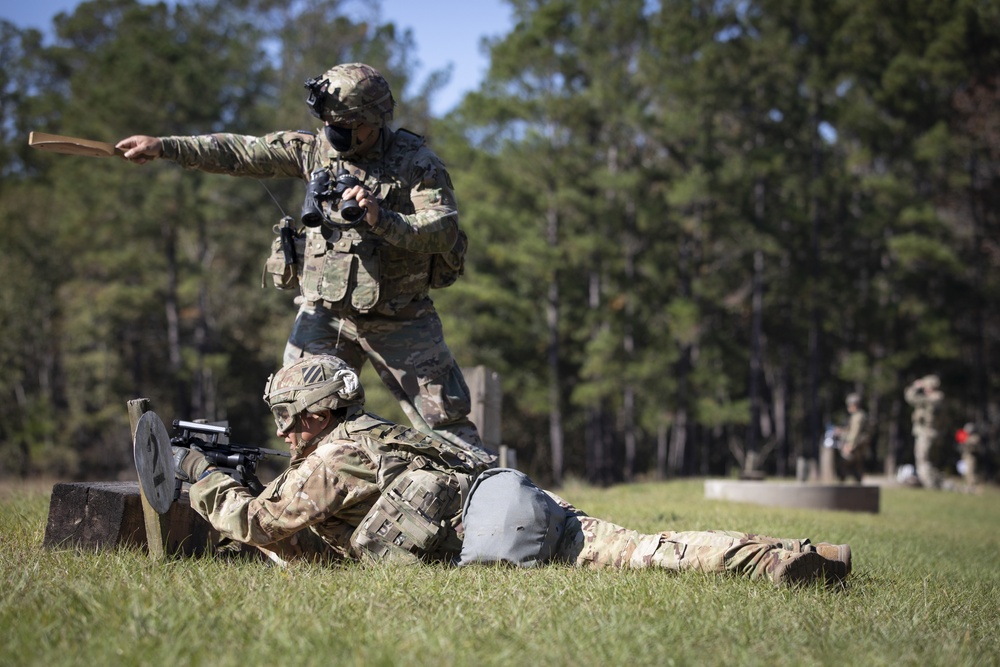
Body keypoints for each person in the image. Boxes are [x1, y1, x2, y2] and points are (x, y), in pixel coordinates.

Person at [172, 354, 853, 586]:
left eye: (290, 416)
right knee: (652, 550)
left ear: (316, 412)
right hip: (523, 502)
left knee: (641, 559)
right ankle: (780, 557)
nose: (285, 430)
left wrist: (196, 472)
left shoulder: (328, 462)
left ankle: (781, 561)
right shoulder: (377, 432)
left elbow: (257, 519)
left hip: (490, 543)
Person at [117, 62, 482, 451]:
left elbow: (442, 228)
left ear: (371, 122)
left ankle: (491, 503)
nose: (332, 133)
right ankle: (311, 506)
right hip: (323, 314)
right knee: (299, 416)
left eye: (342, 126)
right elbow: (241, 152)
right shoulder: (313, 150)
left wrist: (382, 217)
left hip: (400, 316)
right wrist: (165, 146)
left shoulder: (416, 162)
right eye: (328, 124)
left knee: (445, 427)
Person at [904, 374, 944, 489]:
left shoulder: (933, 398)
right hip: (932, 433)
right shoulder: (937, 397)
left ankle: (930, 484)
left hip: (926, 433)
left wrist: (915, 387)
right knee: (929, 461)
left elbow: (910, 397)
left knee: (922, 460)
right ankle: (935, 483)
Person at [834, 393, 869, 484]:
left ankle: (843, 486)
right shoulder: (857, 416)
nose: (848, 407)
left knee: (844, 462)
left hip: (855, 446)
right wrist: (841, 432)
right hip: (857, 446)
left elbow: (855, 433)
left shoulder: (858, 417)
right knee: (856, 467)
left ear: (855, 405)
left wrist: (849, 446)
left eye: (849, 405)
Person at [955, 422, 981, 489]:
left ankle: (972, 486)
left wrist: (964, 439)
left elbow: (971, 443)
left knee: (970, 472)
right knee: (965, 472)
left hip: (971, 457)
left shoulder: (975, 437)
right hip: (965, 456)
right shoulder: (967, 437)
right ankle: (968, 485)